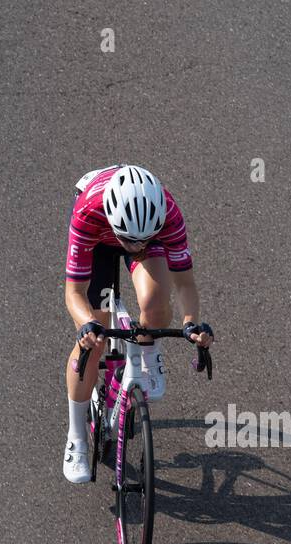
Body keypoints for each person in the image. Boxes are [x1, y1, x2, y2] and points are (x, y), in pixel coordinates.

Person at [61, 164, 213, 483]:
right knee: (95, 338)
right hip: (100, 238)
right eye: (132, 241)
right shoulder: (88, 211)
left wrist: (191, 322)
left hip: (137, 226)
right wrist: (87, 323)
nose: (137, 247)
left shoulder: (168, 214)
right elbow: (73, 292)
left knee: (156, 301)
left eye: (143, 240)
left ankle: (147, 355)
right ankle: (76, 438)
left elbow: (184, 284)